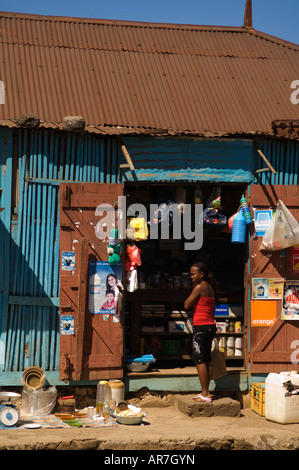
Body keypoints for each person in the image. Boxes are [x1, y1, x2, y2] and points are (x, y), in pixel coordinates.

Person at [184, 261, 216, 402]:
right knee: (206, 359)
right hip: (209, 326)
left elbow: (186, 304)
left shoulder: (199, 287)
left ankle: (205, 393)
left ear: (201, 274)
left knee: (199, 359)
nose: (191, 276)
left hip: (201, 327)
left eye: (193, 274)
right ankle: (206, 392)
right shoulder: (209, 287)